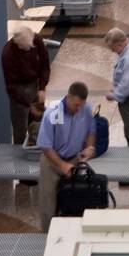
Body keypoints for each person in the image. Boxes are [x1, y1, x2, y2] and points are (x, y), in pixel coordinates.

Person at [35, 81, 97, 232]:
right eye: (76, 105)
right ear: (68, 97)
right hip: (52, 161)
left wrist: (89, 146)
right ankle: (48, 235)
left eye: (81, 105)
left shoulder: (85, 108)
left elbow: (91, 130)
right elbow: (45, 146)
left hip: (74, 159)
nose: (78, 109)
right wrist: (62, 165)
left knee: (76, 198)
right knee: (48, 202)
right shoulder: (53, 113)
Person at [2, 26, 51, 145]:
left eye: (30, 47)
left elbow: (45, 65)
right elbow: (11, 87)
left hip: (35, 84)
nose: (29, 49)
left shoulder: (36, 40)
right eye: (25, 48)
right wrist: (27, 104)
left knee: (38, 123)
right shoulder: (8, 54)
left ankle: (38, 147)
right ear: (17, 44)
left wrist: (42, 88)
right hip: (19, 90)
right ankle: (19, 154)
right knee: (20, 128)